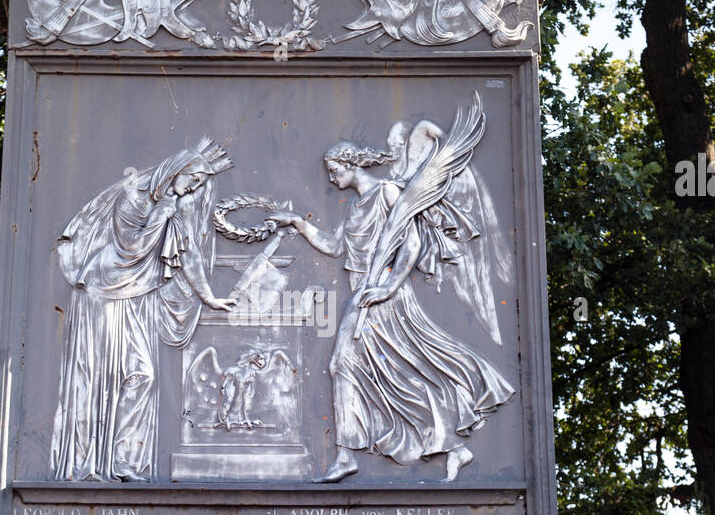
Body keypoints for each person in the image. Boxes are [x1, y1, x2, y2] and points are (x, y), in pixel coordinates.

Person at [270, 139, 515, 482]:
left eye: (335, 170)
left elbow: (411, 243)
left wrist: (388, 288)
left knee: (343, 364)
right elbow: (336, 246)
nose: (331, 178)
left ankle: (346, 456)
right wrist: (298, 222)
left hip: (383, 296)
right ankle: (452, 447)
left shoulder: (386, 193)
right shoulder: (355, 206)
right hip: (363, 292)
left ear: (352, 165)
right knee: (393, 373)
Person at [50, 139, 234, 481]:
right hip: (102, 293)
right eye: (192, 180)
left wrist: (209, 298)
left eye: (199, 185)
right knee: (98, 377)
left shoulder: (174, 207)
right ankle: (88, 462)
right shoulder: (132, 199)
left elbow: (189, 254)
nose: (193, 188)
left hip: (137, 297)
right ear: (176, 170)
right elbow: (133, 247)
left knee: (142, 375)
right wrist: (162, 212)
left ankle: (124, 461)